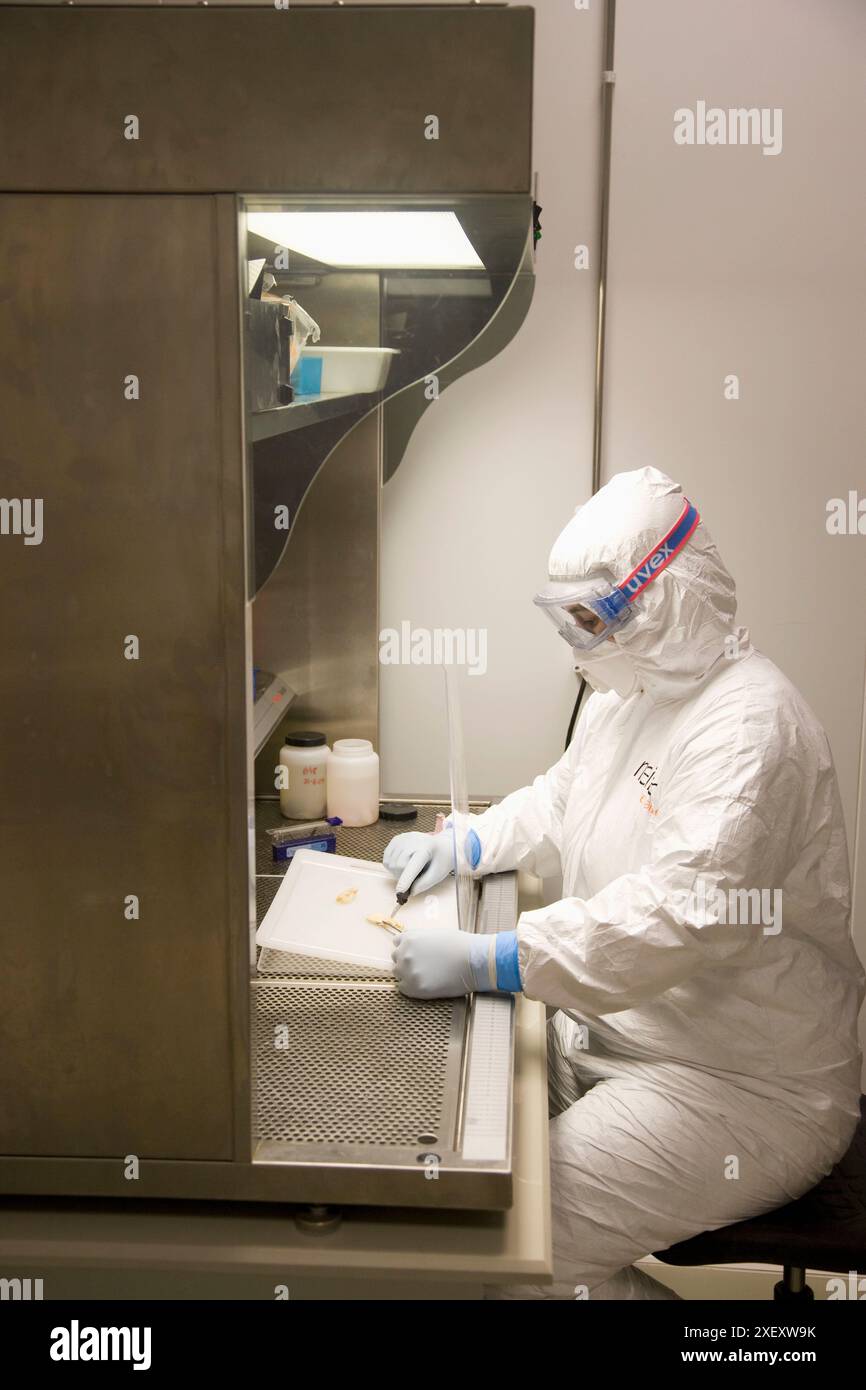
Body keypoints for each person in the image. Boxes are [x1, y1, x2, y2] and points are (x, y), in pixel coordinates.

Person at [384, 467, 864, 1300]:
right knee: (461, 1169)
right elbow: (561, 795)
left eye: (591, 616)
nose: (578, 640)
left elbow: (677, 918)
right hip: (628, 1036)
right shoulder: (633, 691)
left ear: (664, 599)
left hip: (741, 1086)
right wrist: (470, 841)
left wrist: (496, 958)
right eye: (568, 617)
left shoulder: (750, 729)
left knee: (514, 1254)